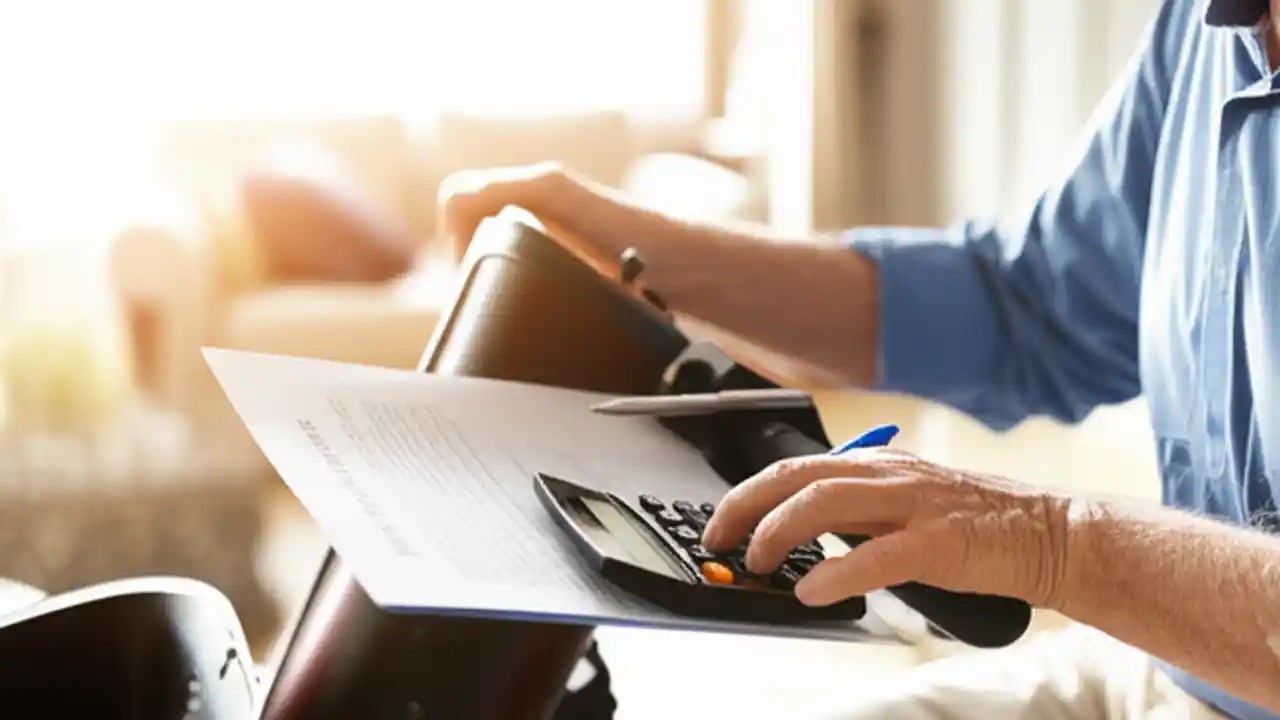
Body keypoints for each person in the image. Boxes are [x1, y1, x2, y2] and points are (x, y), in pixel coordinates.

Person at [437, 0, 1280, 716]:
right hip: (1168, 670)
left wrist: (1052, 543)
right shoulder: (1203, 28)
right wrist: (635, 246)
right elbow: (1023, 310)